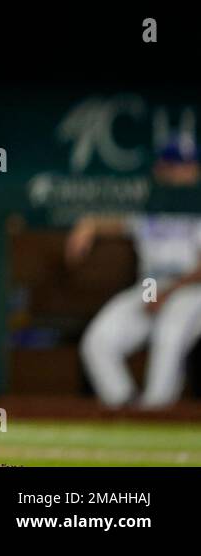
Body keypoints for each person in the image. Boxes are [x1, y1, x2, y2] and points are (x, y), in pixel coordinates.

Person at [67, 136, 201, 408]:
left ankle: (155, 411)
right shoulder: (152, 206)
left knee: (169, 333)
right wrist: (89, 224)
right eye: (174, 166)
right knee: (97, 341)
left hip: (191, 290)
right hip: (151, 286)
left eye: (186, 166)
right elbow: (119, 223)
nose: (180, 173)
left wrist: (166, 293)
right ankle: (125, 408)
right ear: (160, 170)